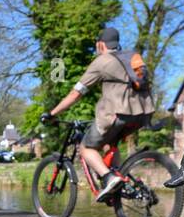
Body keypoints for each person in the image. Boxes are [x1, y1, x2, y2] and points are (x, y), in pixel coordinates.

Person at [42, 27, 153, 202]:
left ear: (101, 45)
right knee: (109, 144)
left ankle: (109, 178)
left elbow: (76, 93)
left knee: (86, 148)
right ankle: (118, 182)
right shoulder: (131, 57)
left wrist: (52, 113)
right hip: (142, 114)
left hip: (117, 113)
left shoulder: (102, 62)